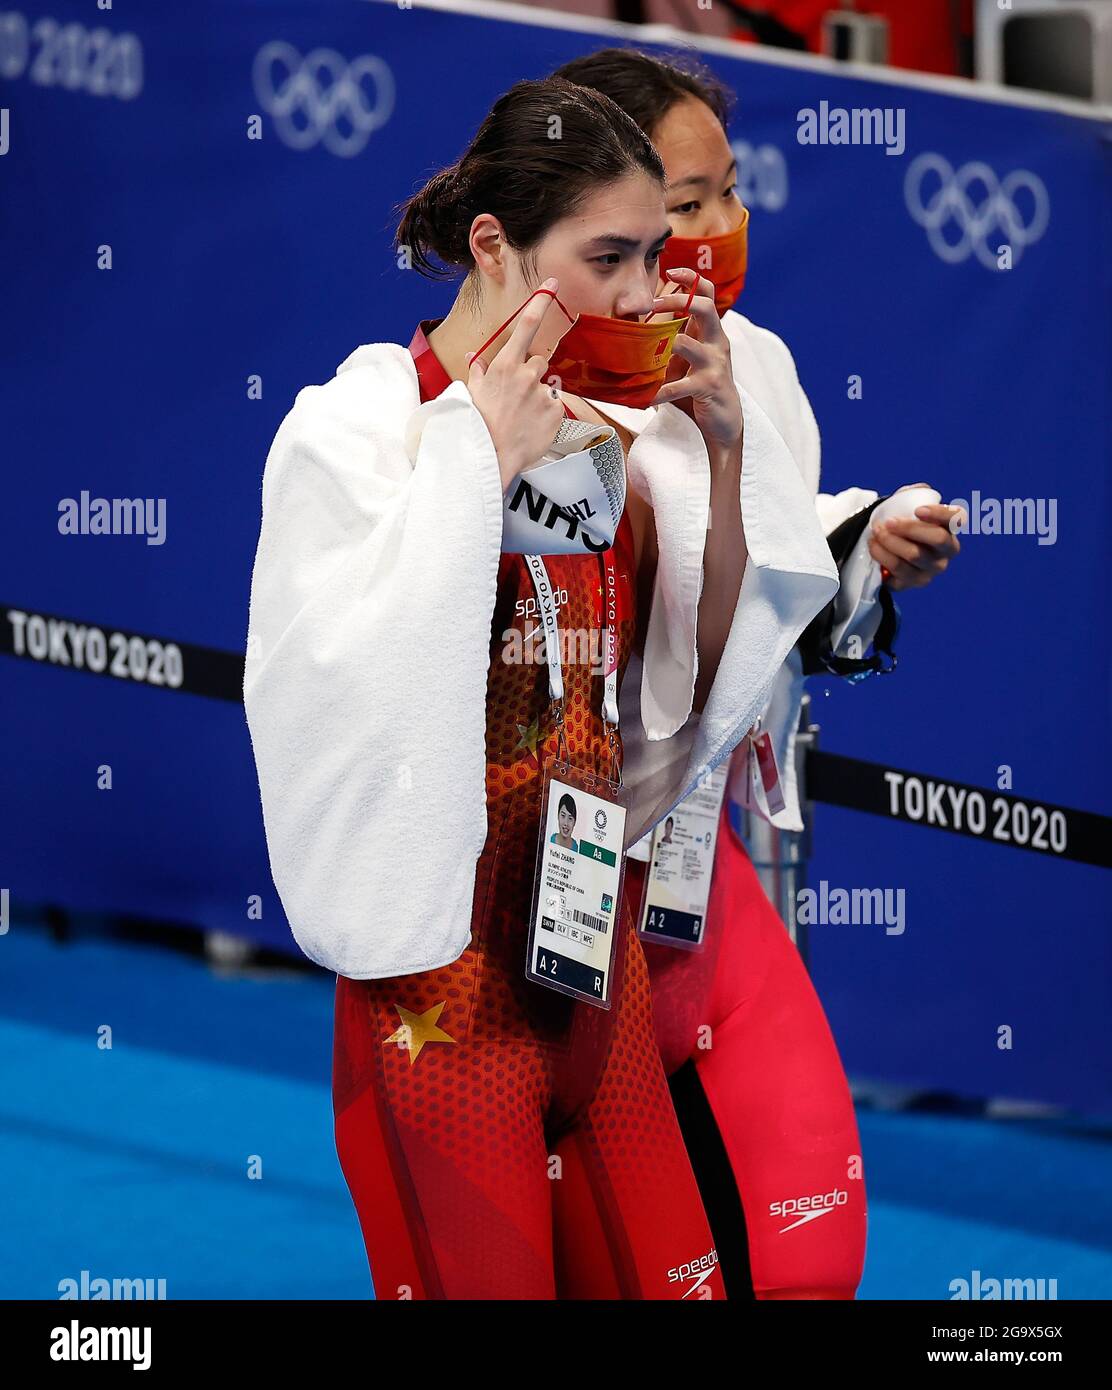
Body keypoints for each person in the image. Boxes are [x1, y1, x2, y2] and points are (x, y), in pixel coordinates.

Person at [242, 76, 837, 1299]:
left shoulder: (604, 434)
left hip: (591, 972)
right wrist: (470, 467)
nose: (637, 292)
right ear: (494, 248)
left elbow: (697, 690)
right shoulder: (362, 429)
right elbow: (326, 704)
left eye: (651, 253)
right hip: (441, 1011)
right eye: (606, 255)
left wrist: (723, 459)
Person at [555, 47, 961, 1299]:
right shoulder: (534, 395)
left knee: (798, 1263)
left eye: (727, 193)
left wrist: (862, 549)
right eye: (683, 204)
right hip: (563, 906)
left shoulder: (762, 367)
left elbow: (787, 566)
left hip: (713, 880)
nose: (720, 228)